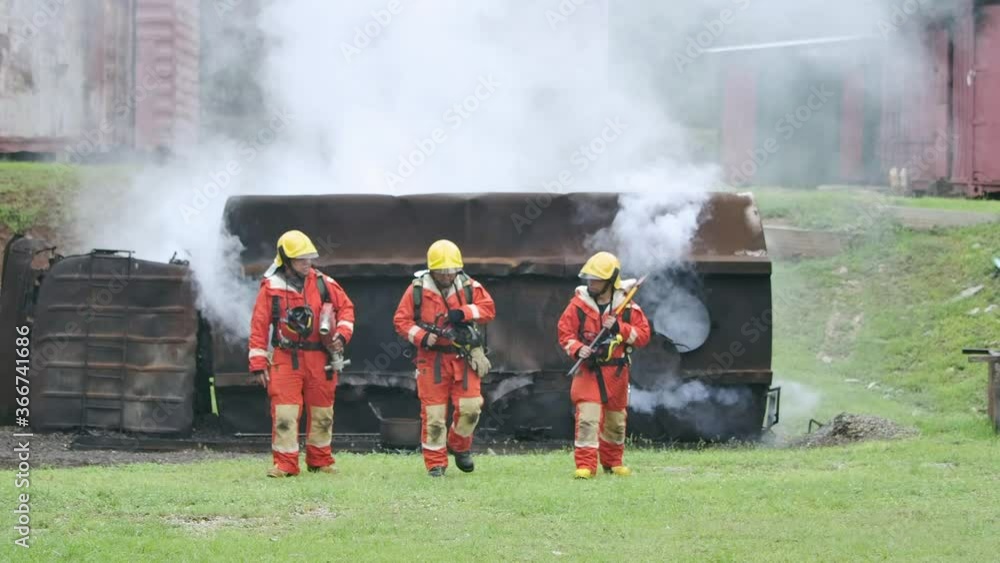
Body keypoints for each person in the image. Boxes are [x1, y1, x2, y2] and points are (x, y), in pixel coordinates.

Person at [248, 230, 355, 478]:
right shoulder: (271, 288)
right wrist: (258, 363)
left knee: (322, 413)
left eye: (309, 258)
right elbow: (259, 326)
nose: (307, 263)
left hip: (320, 358)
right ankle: (285, 464)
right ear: (286, 261)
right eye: (301, 259)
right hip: (286, 357)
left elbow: (347, 309)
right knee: (285, 414)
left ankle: (320, 460)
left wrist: (341, 335)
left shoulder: (323, 283)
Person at [393, 239, 496, 477]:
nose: (448, 275)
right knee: (434, 416)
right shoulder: (417, 290)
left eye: (452, 270)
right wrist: (422, 337)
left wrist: (465, 312)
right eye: (443, 271)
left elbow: (489, 308)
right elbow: (401, 321)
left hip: (465, 356)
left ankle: (459, 446)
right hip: (432, 360)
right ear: (433, 270)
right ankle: (435, 463)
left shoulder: (469, 285)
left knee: (471, 408)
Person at [557, 251, 650, 479]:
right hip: (588, 371)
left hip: (617, 372)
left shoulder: (627, 308)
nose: (591, 282)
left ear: (610, 281)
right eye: (589, 278)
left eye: (596, 279)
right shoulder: (578, 305)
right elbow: (565, 333)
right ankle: (586, 466)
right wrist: (579, 349)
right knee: (587, 419)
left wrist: (620, 328)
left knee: (616, 422)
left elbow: (643, 336)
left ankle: (613, 463)